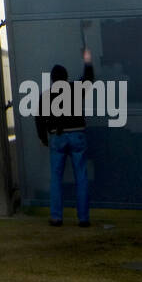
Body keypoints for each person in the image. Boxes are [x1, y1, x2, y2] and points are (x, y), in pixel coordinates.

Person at [35, 47, 94, 227]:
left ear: (52, 79)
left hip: (57, 137)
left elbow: (39, 120)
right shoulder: (76, 89)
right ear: (66, 77)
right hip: (77, 135)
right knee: (81, 177)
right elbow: (90, 79)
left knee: (56, 178)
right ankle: (83, 218)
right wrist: (87, 60)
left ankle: (56, 217)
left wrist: (44, 139)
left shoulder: (46, 95)